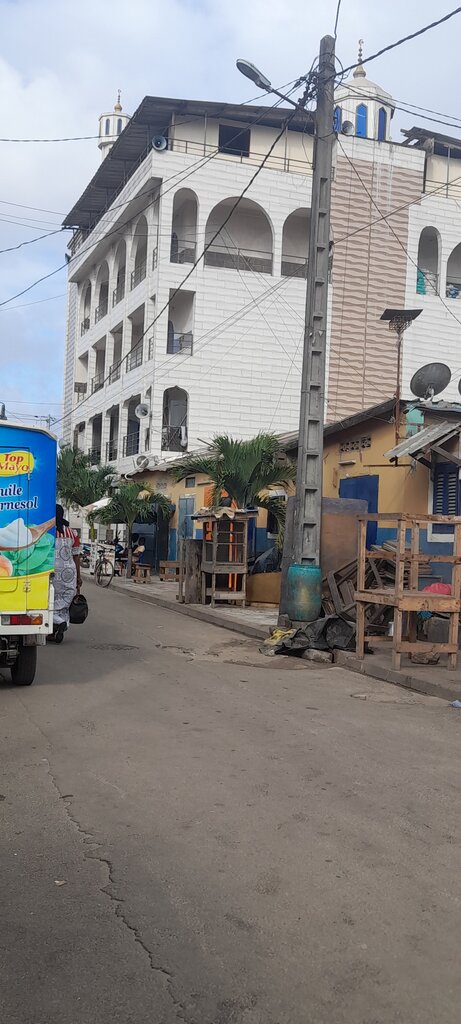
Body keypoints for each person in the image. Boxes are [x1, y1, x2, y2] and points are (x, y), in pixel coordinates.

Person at [51, 504, 82, 642]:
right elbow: (76, 556)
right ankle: (59, 628)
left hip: (51, 572)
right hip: (69, 572)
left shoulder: (48, 531)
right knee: (63, 603)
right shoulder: (72, 533)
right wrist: (79, 578)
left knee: (49, 601)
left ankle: (57, 622)